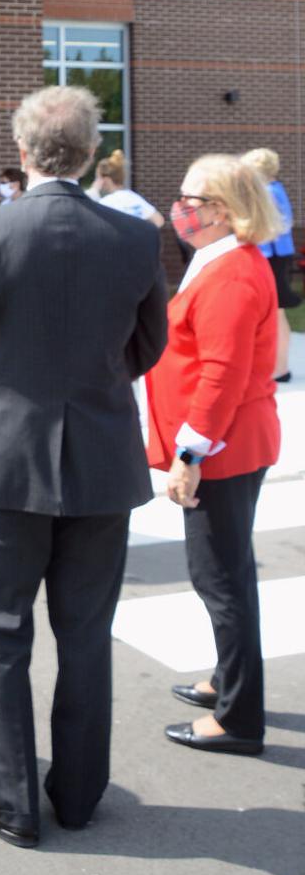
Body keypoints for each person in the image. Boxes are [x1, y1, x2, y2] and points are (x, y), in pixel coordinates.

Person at [0, 84, 167, 846]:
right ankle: (79, 793)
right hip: (100, 457)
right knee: (86, 632)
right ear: (90, 152)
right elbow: (148, 346)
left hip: (3, 457)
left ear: (23, 151)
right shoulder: (134, 238)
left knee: (0, 628)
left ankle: (9, 798)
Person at [148, 153, 282, 758]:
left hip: (223, 448)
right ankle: (230, 681)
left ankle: (239, 719)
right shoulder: (223, 259)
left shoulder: (231, 273)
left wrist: (189, 452)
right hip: (233, 441)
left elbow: (221, 374)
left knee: (220, 580)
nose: (180, 207)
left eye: (191, 199)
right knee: (228, 574)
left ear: (223, 211)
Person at [241, 147, 295, 383]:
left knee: (276, 312)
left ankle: (280, 368)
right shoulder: (274, 189)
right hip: (275, 255)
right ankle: (278, 367)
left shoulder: (268, 192)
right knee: (274, 312)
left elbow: (273, 225)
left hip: (272, 257)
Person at [90, 150, 165, 228]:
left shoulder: (105, 203)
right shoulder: (134, 197)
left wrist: (93, 191)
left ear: (106, 180)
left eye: (97, 178)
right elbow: (159, 220)